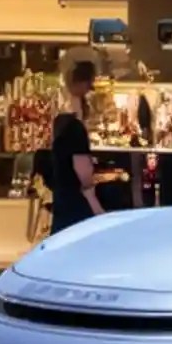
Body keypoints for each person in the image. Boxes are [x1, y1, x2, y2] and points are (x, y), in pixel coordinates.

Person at [50, 60, 105, 233]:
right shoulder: (75, 129)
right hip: (76, 205)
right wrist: (96, 207)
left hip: (62, 201)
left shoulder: (60, 124)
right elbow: (82, 169)